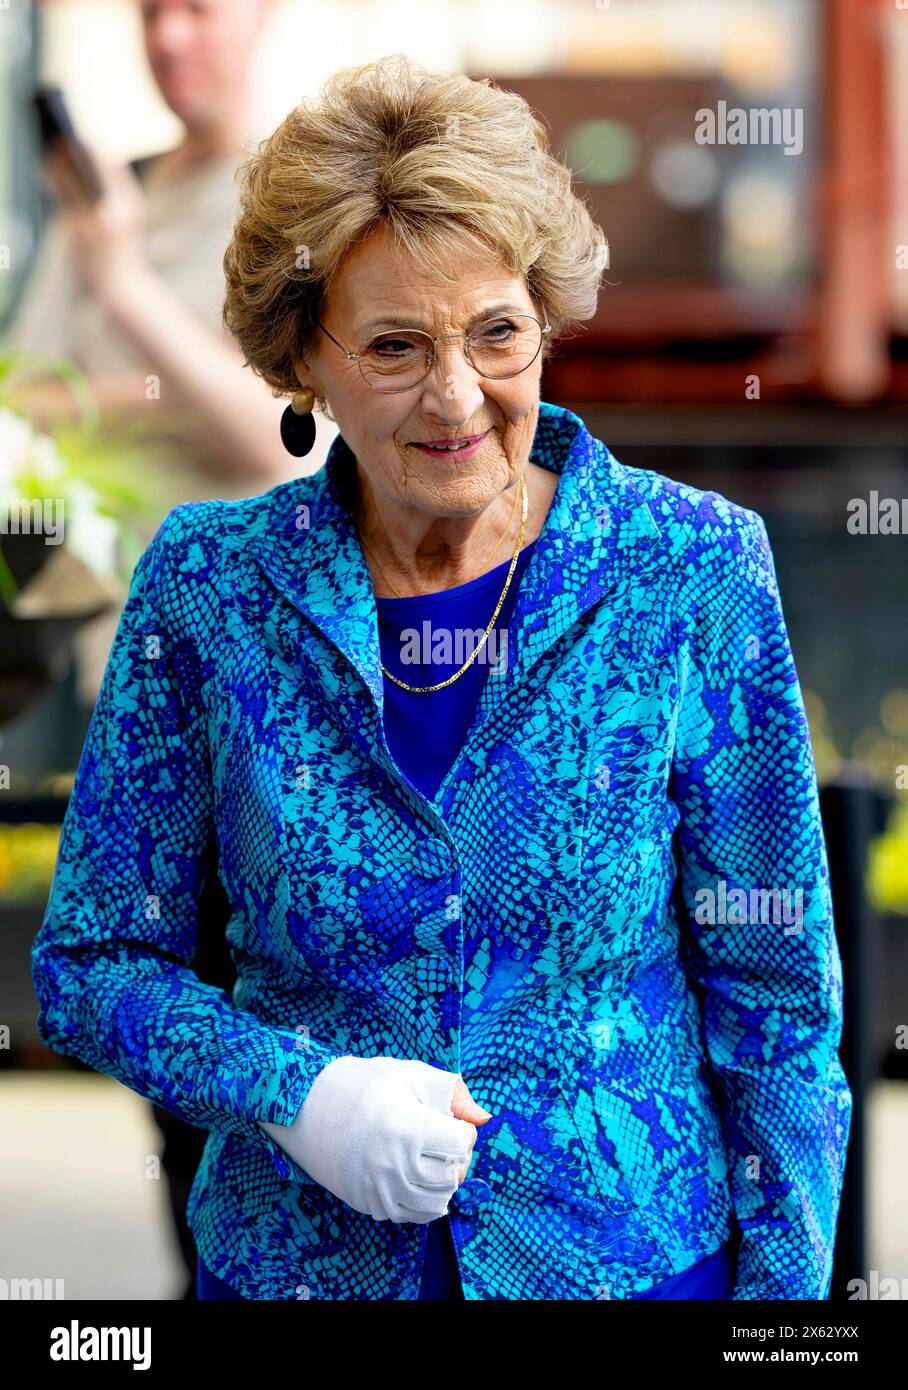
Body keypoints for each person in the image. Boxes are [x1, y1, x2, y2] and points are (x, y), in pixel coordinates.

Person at [31, 54, 852, 1301]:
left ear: (546, 319)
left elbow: (775, 993)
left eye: (498, 333)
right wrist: (298, 1091)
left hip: (625, 1267)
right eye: (397, 345)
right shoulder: (208, 588)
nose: (458, 396)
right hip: (300, 1272)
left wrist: (785, 1322)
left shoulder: (689, 569)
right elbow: (91, 965)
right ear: (303, 357)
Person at [2, 0, 336, 707]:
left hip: (258, 665)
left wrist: (123, 289)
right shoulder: (108, 201)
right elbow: (17, 403)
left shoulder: (309, 200)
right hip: (112, 655)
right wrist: (180, 394)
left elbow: (289, 442)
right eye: (151, 13)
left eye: (196, 10)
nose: (168, 38)